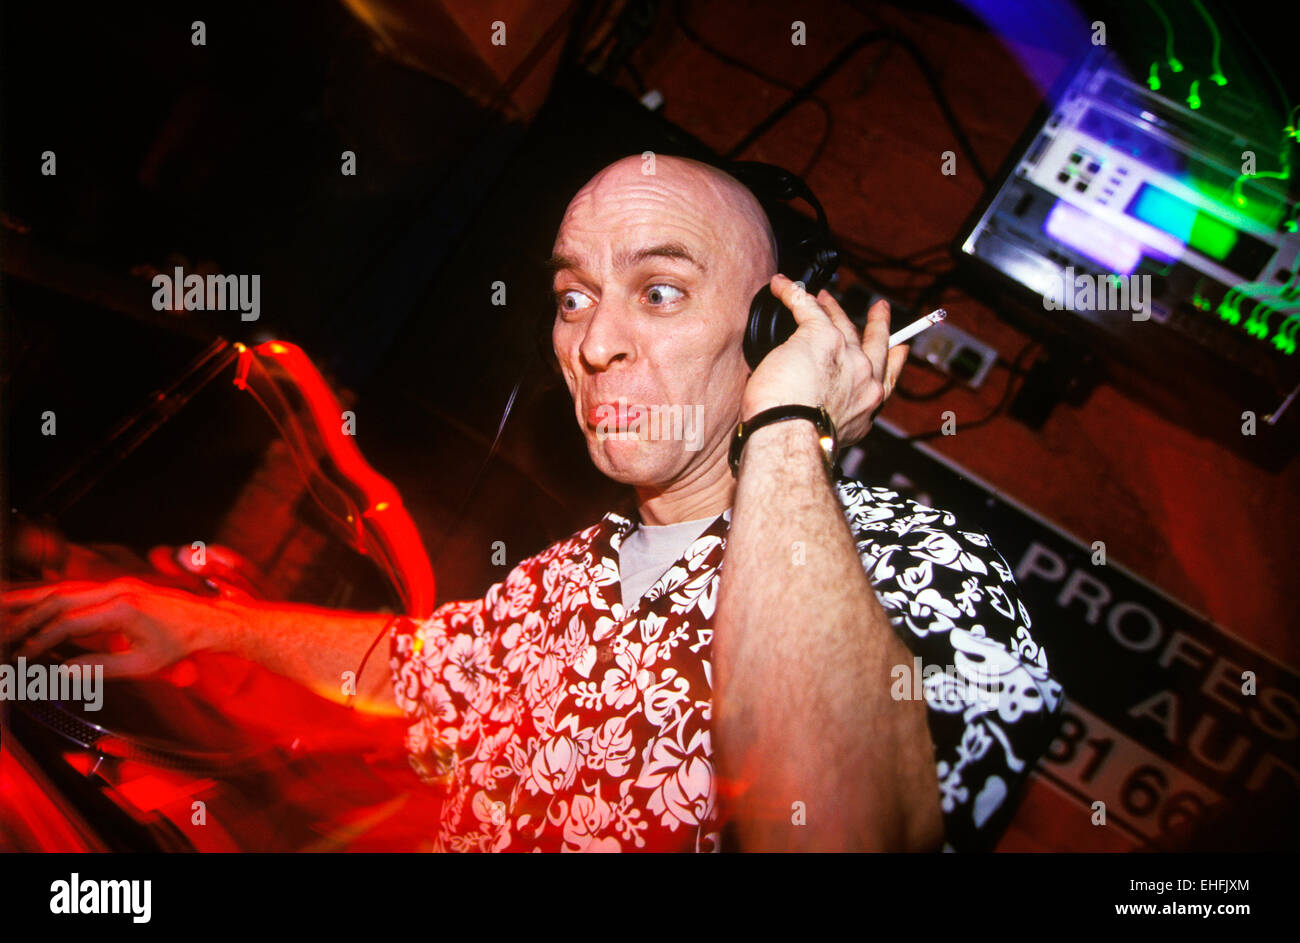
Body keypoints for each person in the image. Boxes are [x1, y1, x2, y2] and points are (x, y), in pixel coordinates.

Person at [3, 154, 1063, 853]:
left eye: (657, 291)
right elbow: (415, 673)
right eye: (571, 295)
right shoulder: (575, 569)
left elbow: (831, 833)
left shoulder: (924, 570)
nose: (591, 341)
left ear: (773, 334)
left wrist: (788, 431)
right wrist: (199, 622)